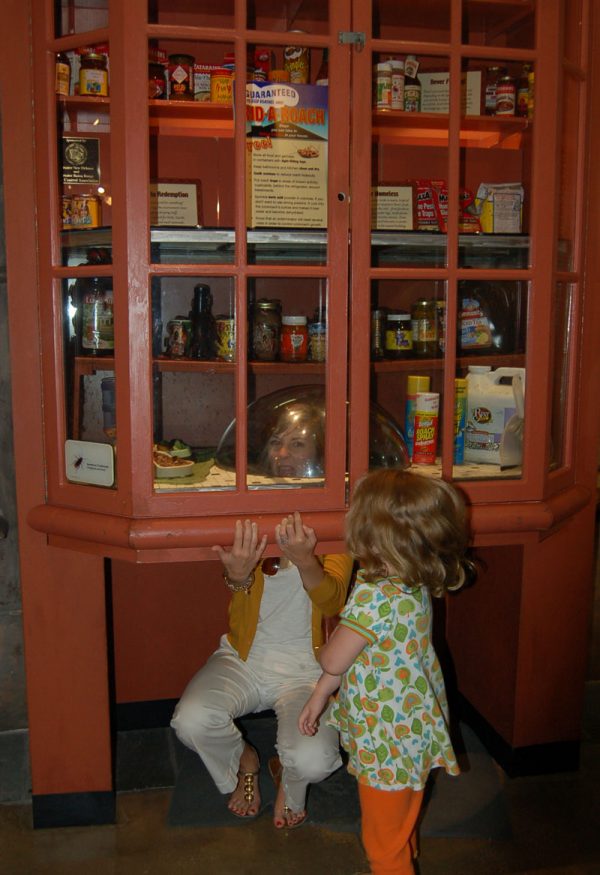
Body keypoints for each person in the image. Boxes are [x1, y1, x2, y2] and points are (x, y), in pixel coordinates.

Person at [171, 398, 353, 829]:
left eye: (299, 444)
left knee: (316, 760)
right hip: (246, 658)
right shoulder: (251, 504)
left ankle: (291, 782)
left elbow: (333, 601)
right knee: (191, 720)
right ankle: (244, 761)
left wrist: (307, 560)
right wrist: (235, 576)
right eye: (277, 443)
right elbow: (240, 597)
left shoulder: (334, 516)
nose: (285, 454)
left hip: (311, 671)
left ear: (321, 456)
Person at [298, 469, 474, 874]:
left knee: (383, 848)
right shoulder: (413, 583)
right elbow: (358, 658)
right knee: (400, 829)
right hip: (410, 734)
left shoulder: (372, 598)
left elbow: (334, 660)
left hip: (386, 745)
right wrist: (320, 695)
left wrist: (327, 651)